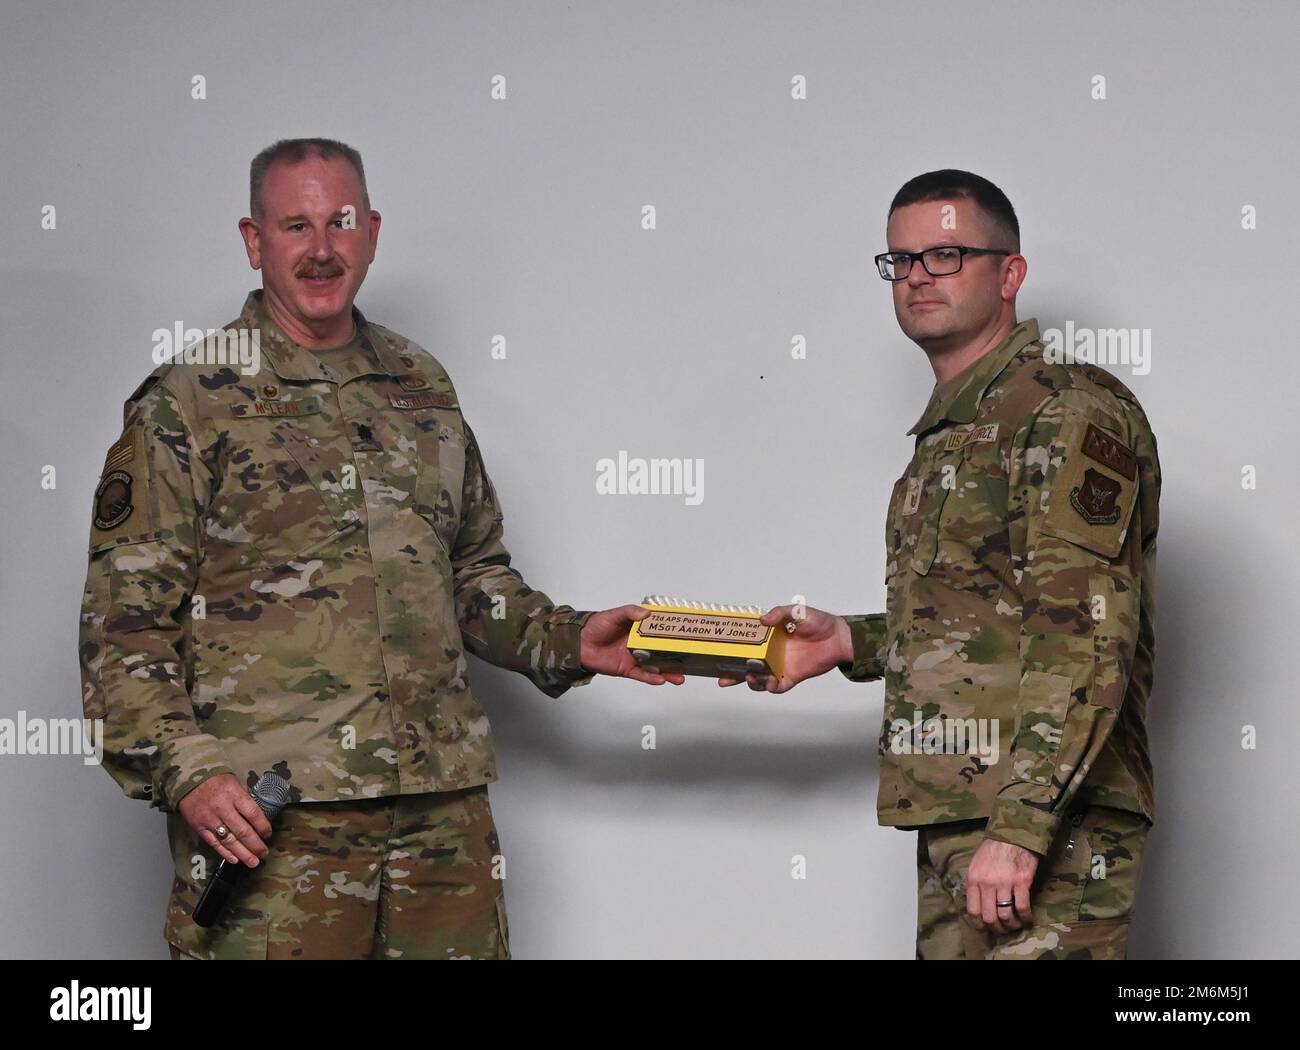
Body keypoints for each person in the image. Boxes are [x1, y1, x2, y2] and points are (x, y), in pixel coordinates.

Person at [79, 137, 679, 960]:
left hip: (441, 814)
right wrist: (190, 773)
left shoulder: (419, 383)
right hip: (276, 823)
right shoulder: (187, 400)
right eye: (295, 225)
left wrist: (566, 639)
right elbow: (124, 626)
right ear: (255, 241)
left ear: (372, 232)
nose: (321, 248)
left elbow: (470, 573)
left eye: (341, 222)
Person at [724, 170, 1160, 960]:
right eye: (903, 260)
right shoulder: (957, 430)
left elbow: (1087, 635)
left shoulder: (1062, 411)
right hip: (964, 810)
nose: (919, 275)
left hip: (1045, 822)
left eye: (948, 254)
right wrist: (848, 643)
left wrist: (1024, 828)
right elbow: (985, 625)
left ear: (1011, 274)